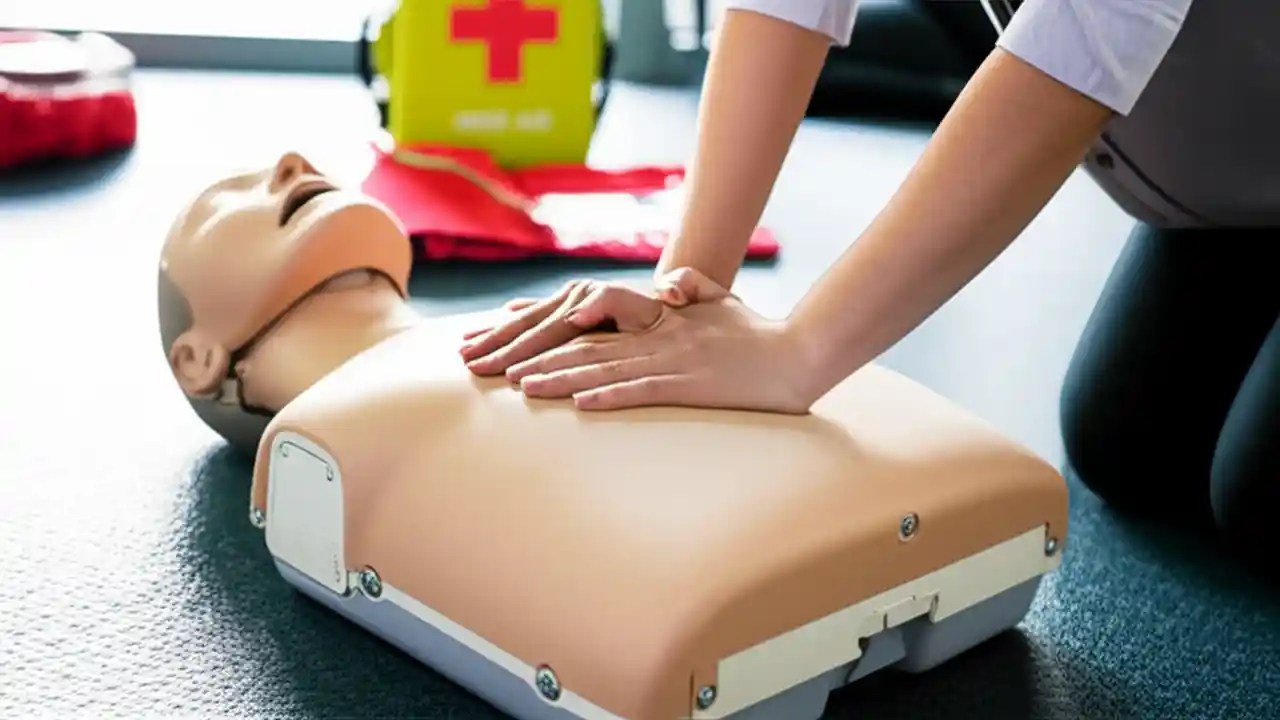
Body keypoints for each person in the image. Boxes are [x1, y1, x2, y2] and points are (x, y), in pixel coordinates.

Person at [457, 0, 1279, 581]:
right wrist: (688, 289)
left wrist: (799, 353)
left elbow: (1089, 23)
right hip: (1230, 191)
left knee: (1259, 500)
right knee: (1129, 448)